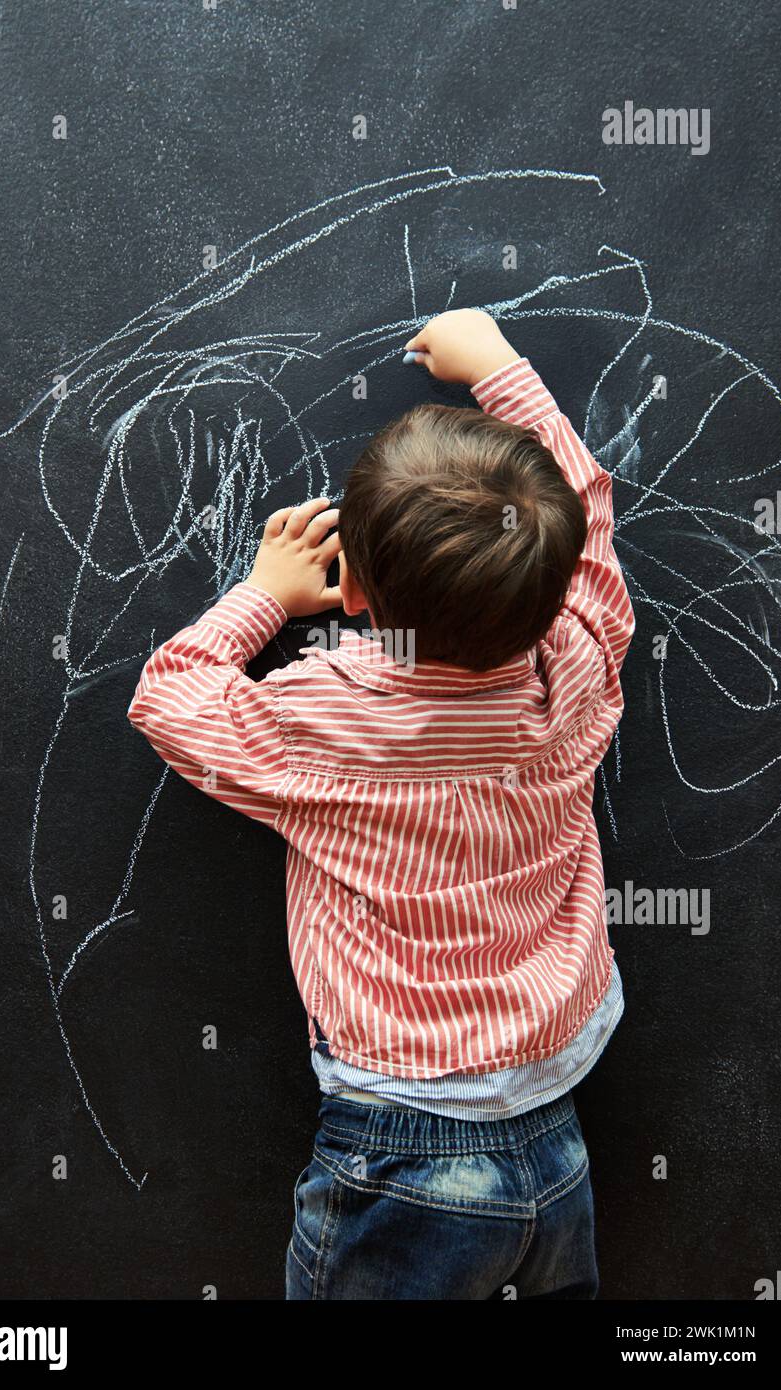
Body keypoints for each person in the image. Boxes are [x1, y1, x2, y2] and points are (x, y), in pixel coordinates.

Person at [127, 309, 636, 1299]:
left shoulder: (329, 715)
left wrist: (266, 593)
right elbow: (585, 516)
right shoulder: (580, 661)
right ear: (552, 585)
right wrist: (498, 367)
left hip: (399, 1155)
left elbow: (170, 697)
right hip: (556, 1120)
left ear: (351, 591)